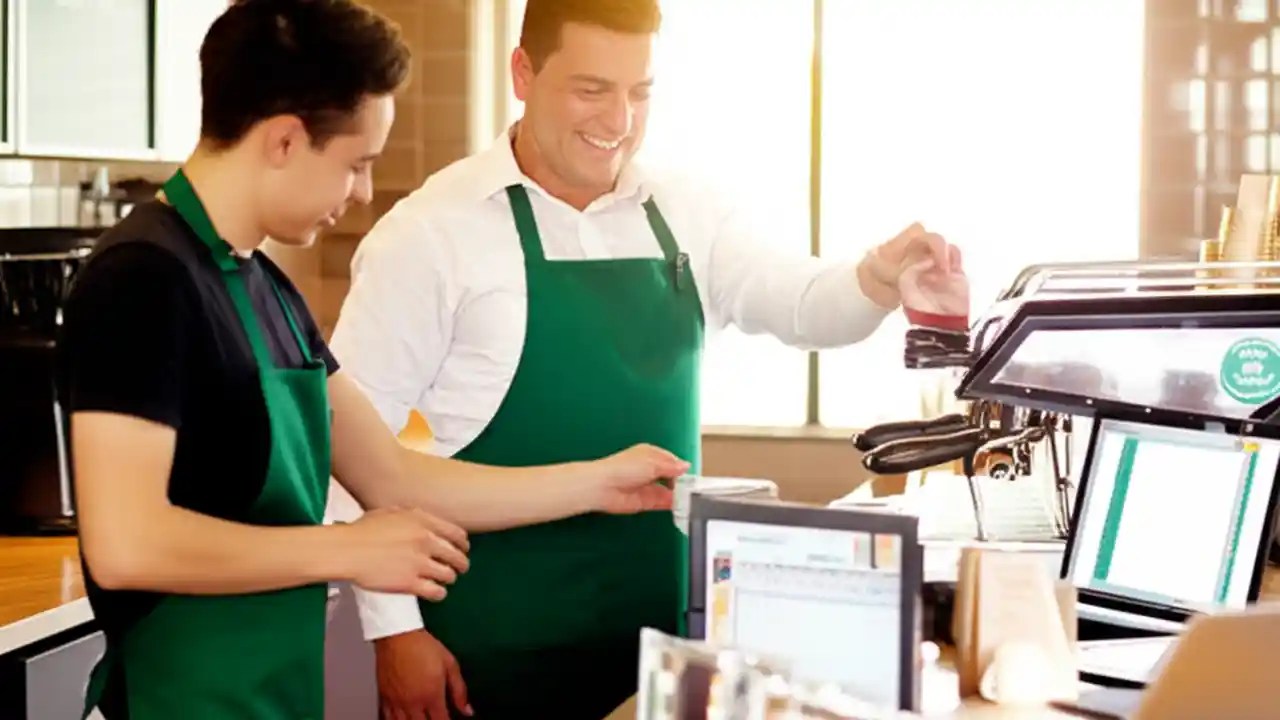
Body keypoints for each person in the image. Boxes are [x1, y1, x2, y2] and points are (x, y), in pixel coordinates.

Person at [328, 0, 969, 717]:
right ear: (522, 73)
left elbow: (800, 304)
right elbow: (352, 456)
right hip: (484, 647)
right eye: (591, 90)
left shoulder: (686, 210)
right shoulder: (428, 234)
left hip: (659, 650)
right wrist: (394, 633)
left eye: (640, 93)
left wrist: (878, 280)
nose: (618, 122)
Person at [59, 2, 688, 719]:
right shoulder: (143, 279)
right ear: (285, 141)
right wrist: (345, 551)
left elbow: (391, 475)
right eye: (356, 164)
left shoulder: (266, 289)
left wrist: (600, 483)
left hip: (272, 701)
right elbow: (128, 543)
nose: (361, 193)